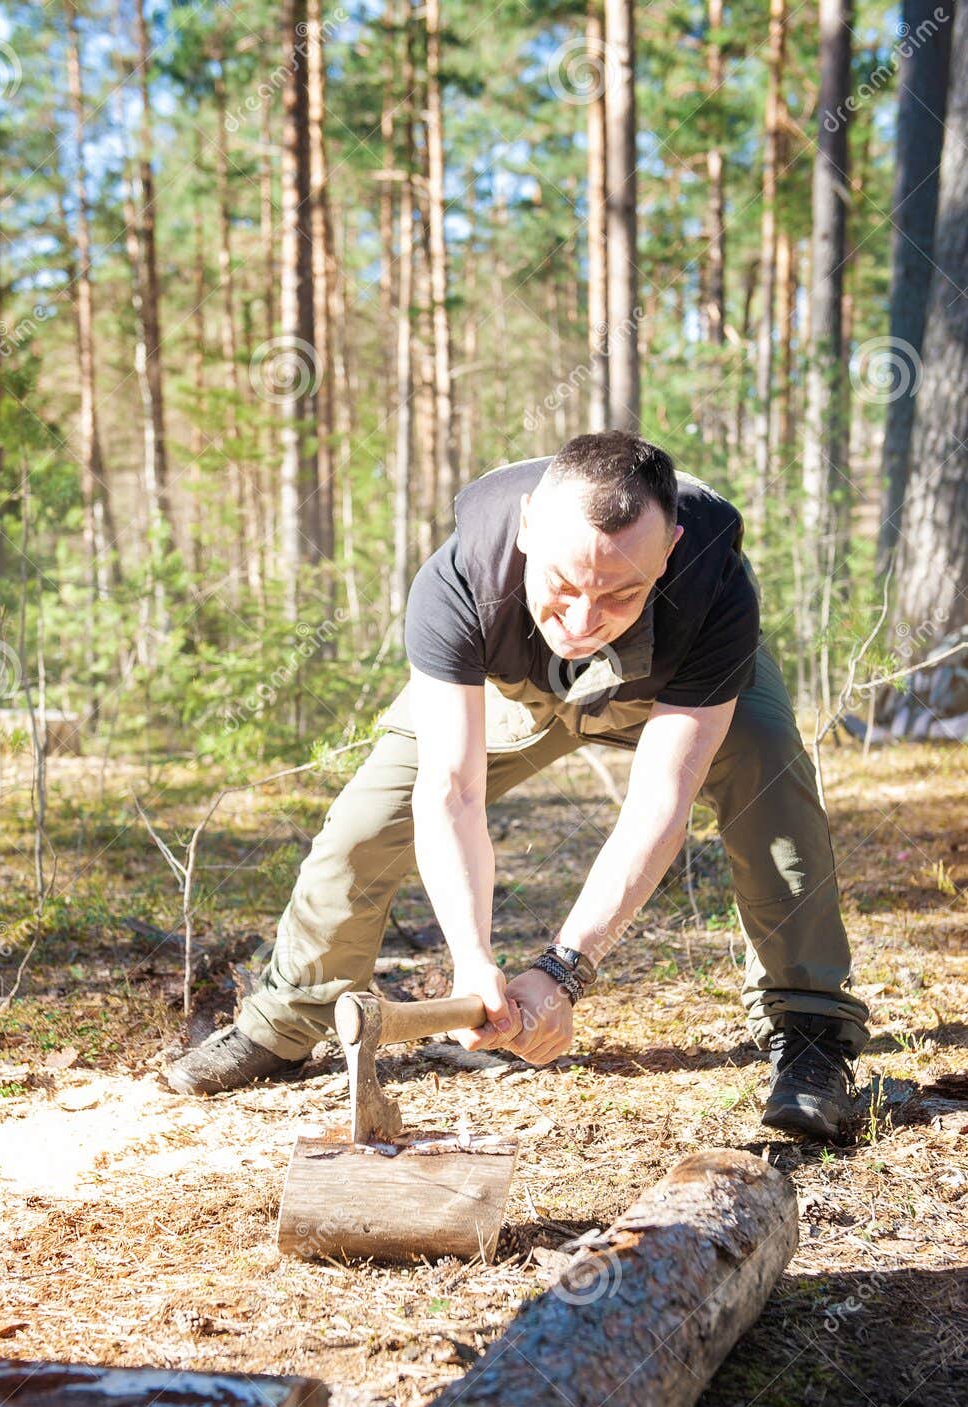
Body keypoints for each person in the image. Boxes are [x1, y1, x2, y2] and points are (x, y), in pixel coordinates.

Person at [166, 431, 868, 1141]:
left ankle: (809, 1030)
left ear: (669, 548)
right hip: (509, 686)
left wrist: (563, 970)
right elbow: (451, 791)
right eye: (563, 586)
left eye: (619, 592)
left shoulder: (714, 584)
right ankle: (284, 1022)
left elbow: (660, 802)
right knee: (364, 826)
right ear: (529, 527)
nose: (584, 620)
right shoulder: (459, 578)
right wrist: (473, 964)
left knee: (770, 779)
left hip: (666, 684)